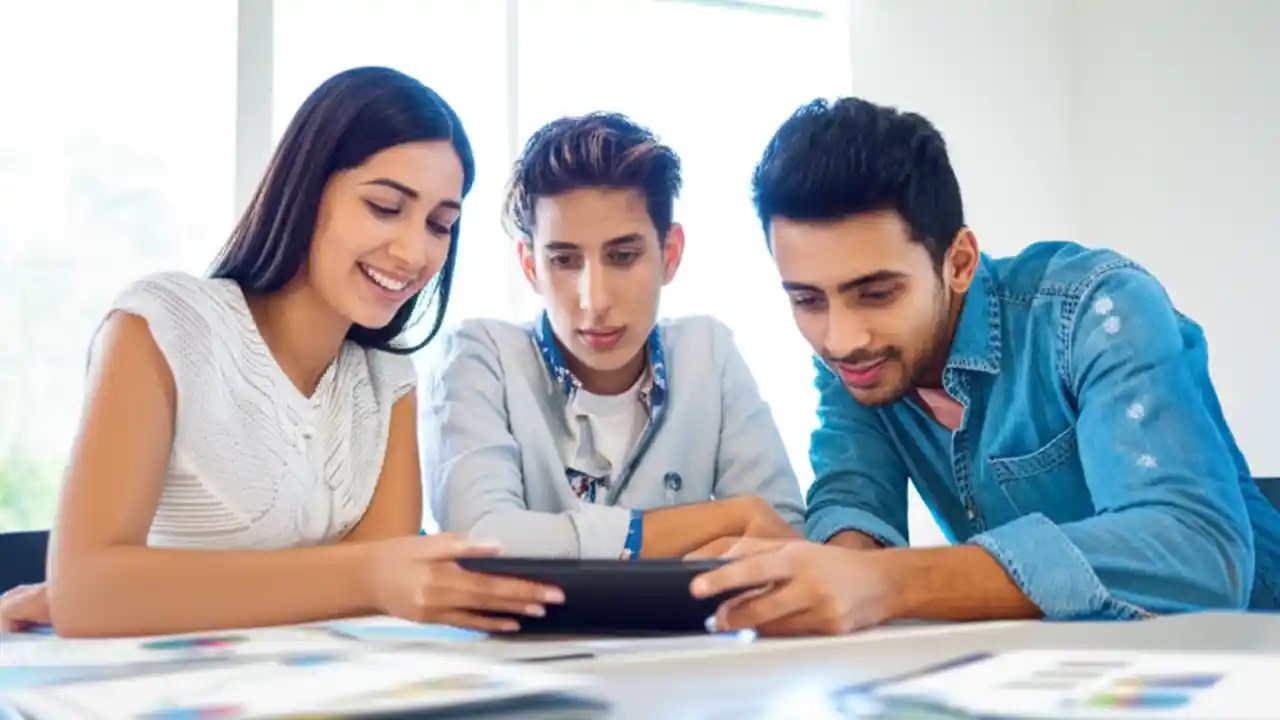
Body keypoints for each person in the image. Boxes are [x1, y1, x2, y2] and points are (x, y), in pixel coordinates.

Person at [0, 67, 562, 638]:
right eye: (386, 208)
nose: (414, 251)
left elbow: (378, 604)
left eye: (440, 225)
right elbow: (90, 594)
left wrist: (144, 593)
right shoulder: (162, 325)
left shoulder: (388, 380)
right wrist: (366, 574)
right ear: (307, 188)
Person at [689, 96, 1280, 635]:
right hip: (1058, 672)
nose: (841, 338)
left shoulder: (1099, 309)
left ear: (960, 262)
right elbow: (854, 497)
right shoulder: (858, 362)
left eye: (877, 293)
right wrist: (822, 570)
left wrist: (887, 582)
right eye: (807, 299)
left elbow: (1196, 552)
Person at [423, 112, 803, 559]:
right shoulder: (480, 357)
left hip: (684, 632)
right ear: (530, 266)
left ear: (671, 253)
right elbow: (482, 540)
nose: (595, 299)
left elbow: (780, 536)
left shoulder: (708, 354)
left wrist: (564, 543)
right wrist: (722, 521)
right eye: (564, 261)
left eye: (622, 256)